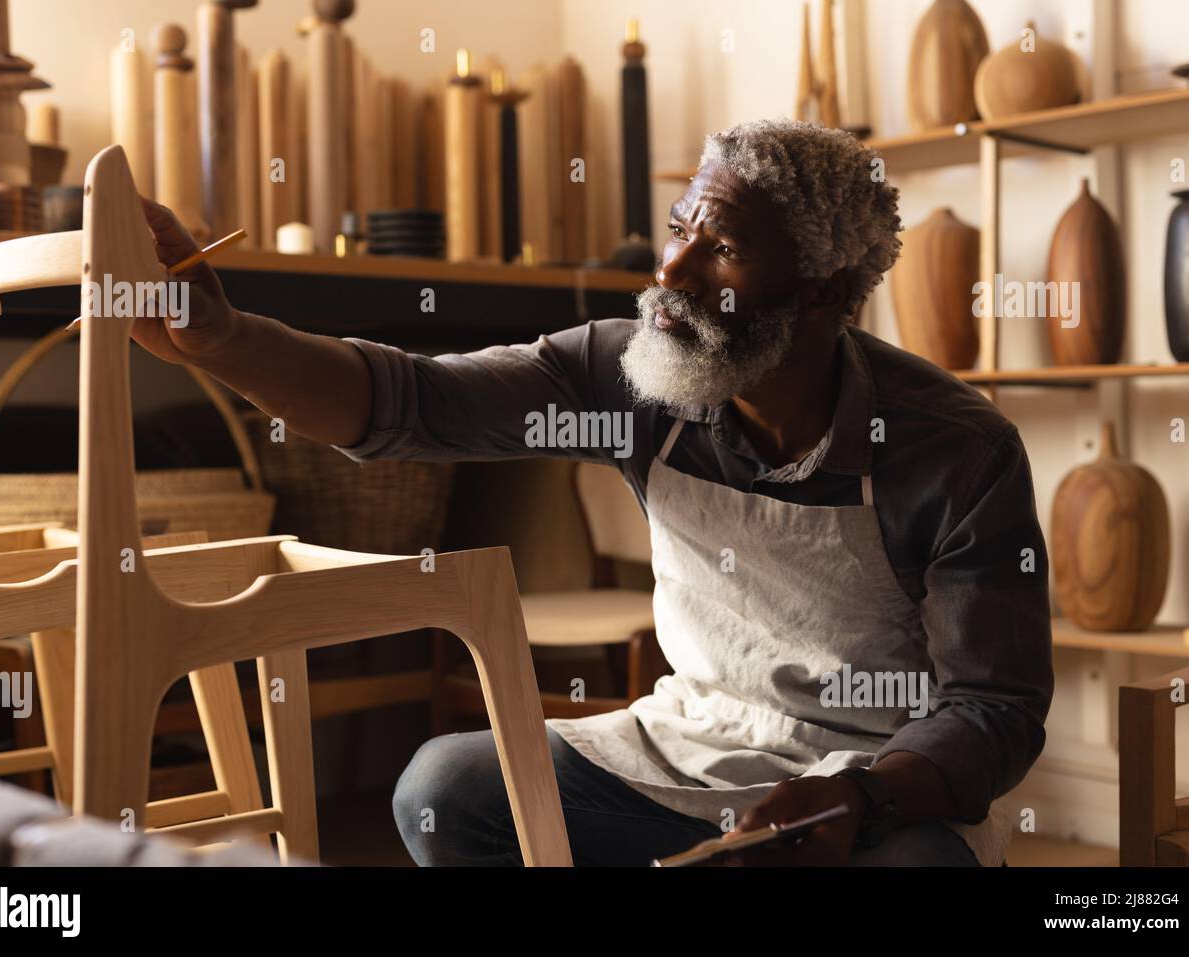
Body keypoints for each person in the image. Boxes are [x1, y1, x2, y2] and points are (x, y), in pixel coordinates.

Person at [133, 118, 1053, 867]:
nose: (672, 272)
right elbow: (410, 401)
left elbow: (993, 709)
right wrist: (221, 338)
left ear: (819, 294)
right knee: (443, 793)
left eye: (722, 248)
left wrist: (860, 795)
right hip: (692, 735)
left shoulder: (955, 450)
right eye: (682, 226)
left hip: (872, 772)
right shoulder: (625, 379)